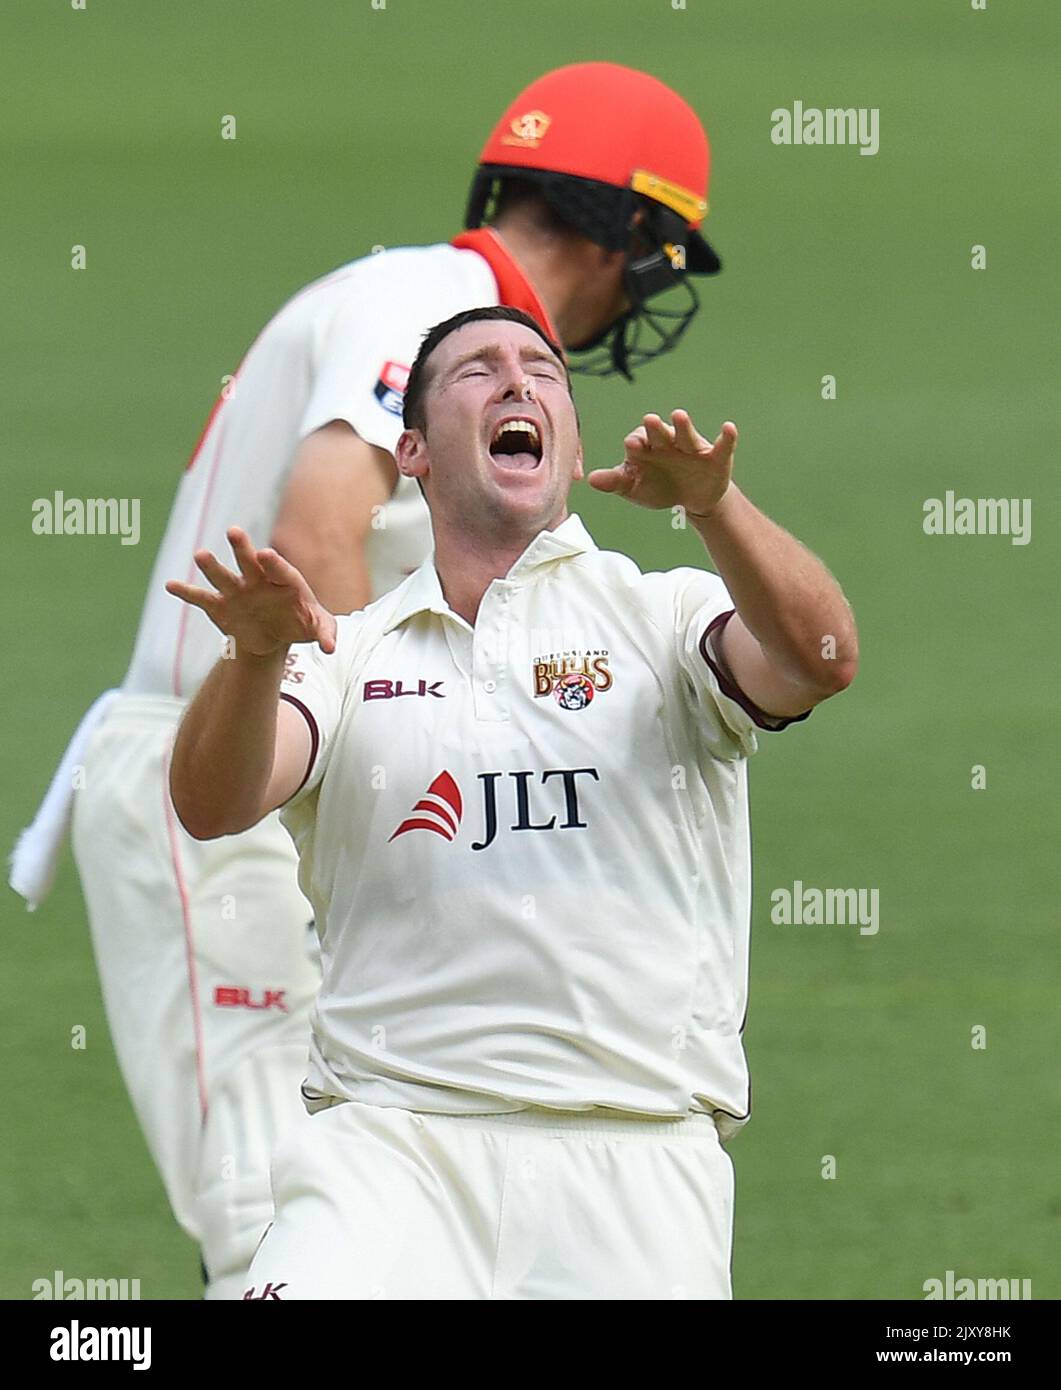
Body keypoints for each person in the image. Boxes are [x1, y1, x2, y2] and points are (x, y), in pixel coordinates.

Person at [10, 64, 727, 1298]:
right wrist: (387, 747)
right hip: (236, 781)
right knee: (269, 1218)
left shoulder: (425, 300)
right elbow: (318, 526)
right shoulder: (435, 304)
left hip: (292, 769)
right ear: (632, 237)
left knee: (363, 1208)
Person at [167, 306, 858, 1300]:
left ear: (570, 446)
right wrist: (254, 653)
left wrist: (715, 505)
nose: (517, 382)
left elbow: (818, 660)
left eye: (542, 370)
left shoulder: (662, 617)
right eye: (475, 372)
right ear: (411, 448)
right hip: (391, 1146)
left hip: (632, 1150)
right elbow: (211, 801)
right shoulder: (350, 655)